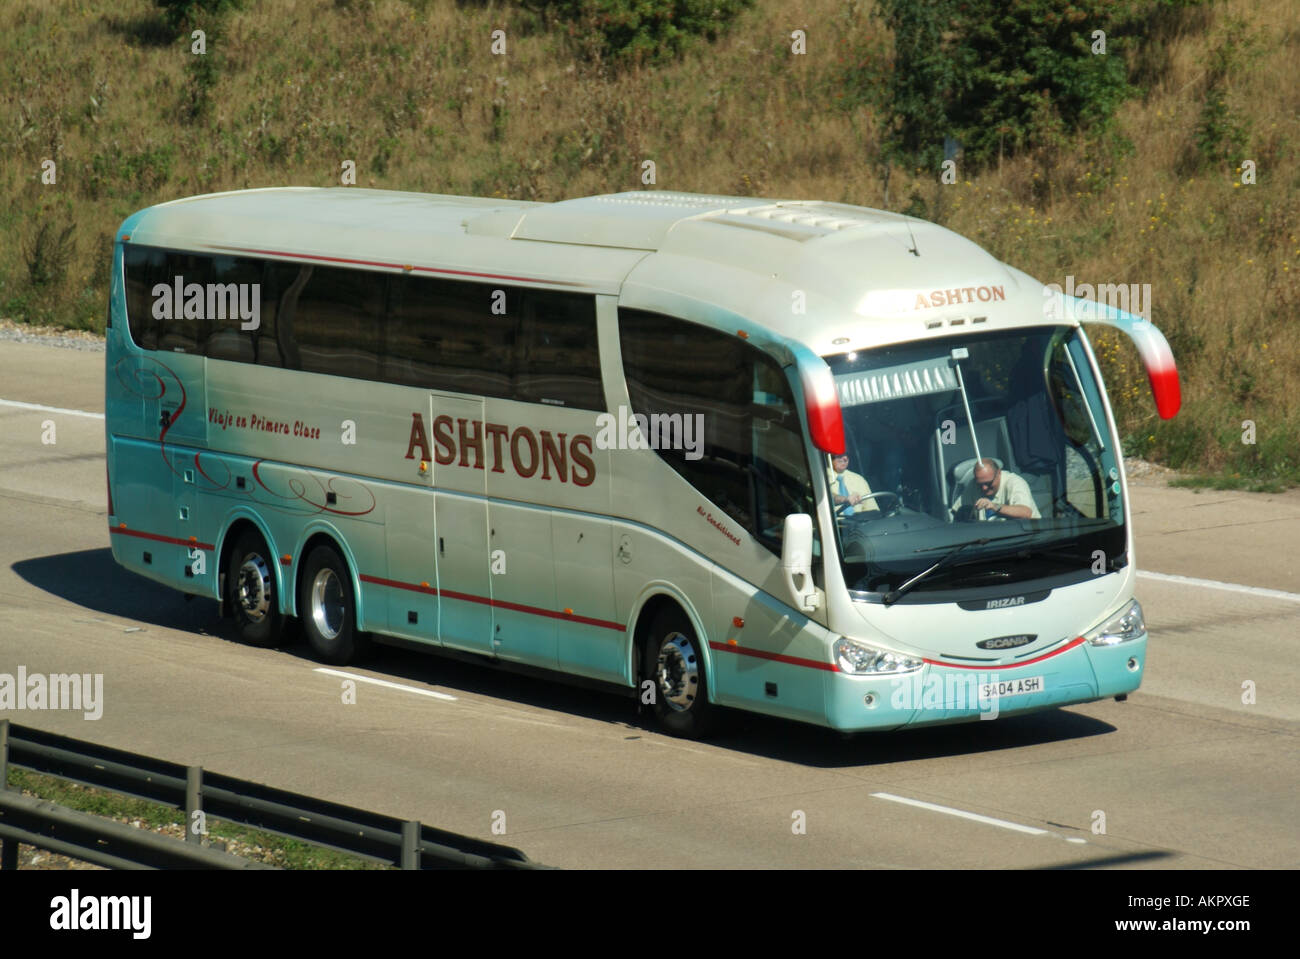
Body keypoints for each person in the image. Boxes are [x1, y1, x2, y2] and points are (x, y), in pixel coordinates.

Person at [951, 458, 1040, 520]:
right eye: (980, 484)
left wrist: (994, 506)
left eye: (988, 483)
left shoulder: (1014, 482)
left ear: (999, 473)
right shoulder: (973, 484)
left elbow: (1026, 513)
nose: (984, 488)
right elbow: (956, 511)